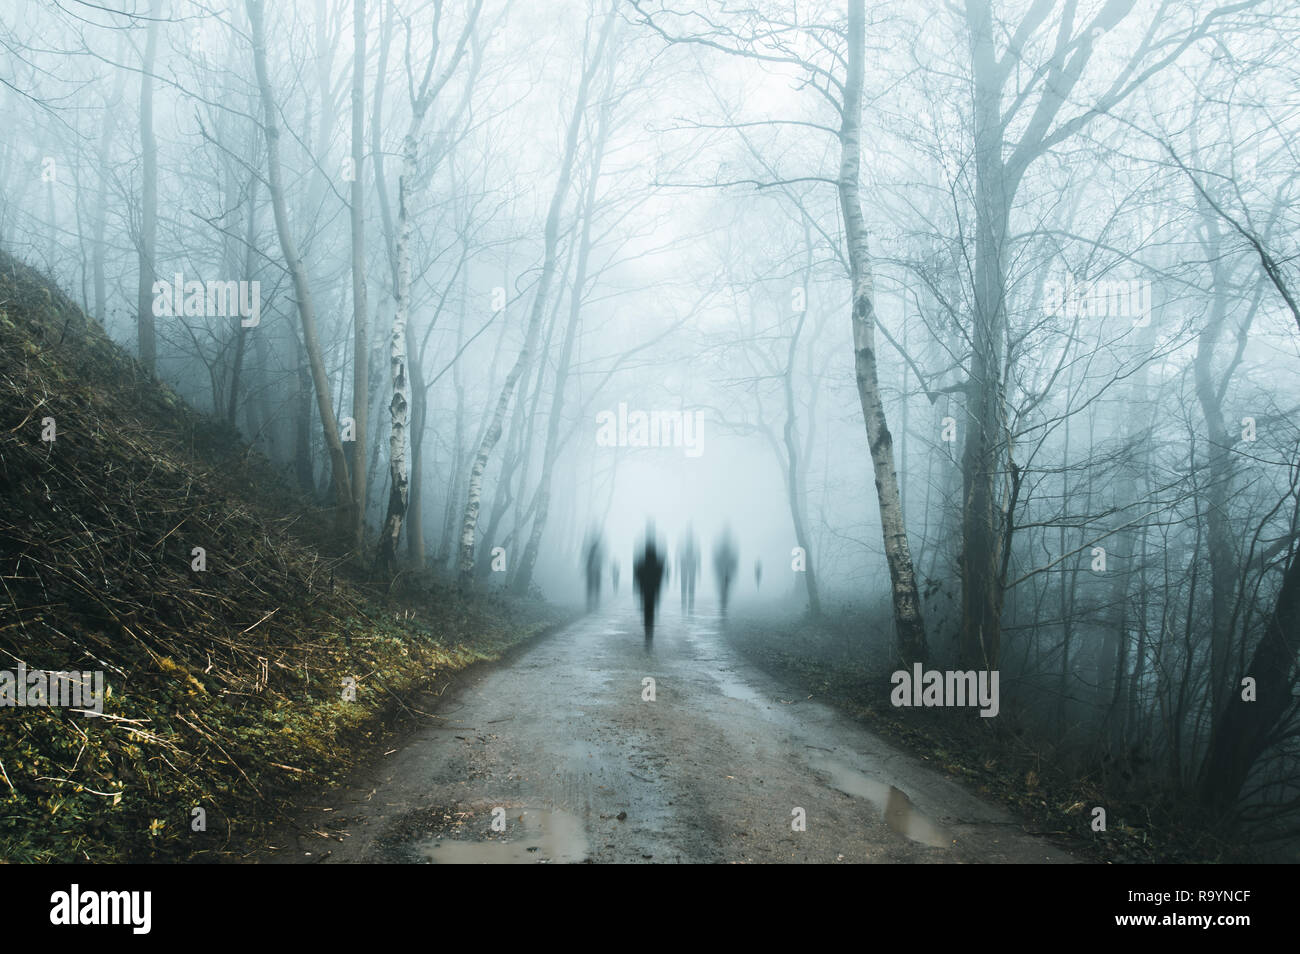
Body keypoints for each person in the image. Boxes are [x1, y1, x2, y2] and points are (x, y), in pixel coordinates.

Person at [632, 522, 666, 639]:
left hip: (645, 586)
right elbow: (661, 570)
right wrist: (660, 583)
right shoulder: (657, 559)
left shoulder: (642, 558)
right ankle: (649, 631)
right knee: (650, 607)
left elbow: (637, 570)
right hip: (653, 586)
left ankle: (648, 630)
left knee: (647, 608)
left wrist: (637, 584)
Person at [713, 526, 738, 617]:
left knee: (725, 587)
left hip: (726, 571)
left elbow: (734, 559)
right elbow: (716, 558)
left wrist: (733, 569)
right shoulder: (725, 545)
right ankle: (723, 603)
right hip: (722, 570)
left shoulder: (730, 545)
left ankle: (724, 602)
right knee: (722, 587)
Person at [677, 525, 700, 613]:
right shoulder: (684, 541)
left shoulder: (691, 541)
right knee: (686, 584)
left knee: (689, 585)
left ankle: (689, 604)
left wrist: (698, 566)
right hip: (685, 563)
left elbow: (698, 553)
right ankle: (686, 604)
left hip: (690, 563)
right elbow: (678, 551)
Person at [584, 529, 604, 612]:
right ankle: (592, 604)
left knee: (593, 588)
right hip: (594, 571)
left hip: (595, 571)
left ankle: (593, 604)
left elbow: (592, 561)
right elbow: (590, 561)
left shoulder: (595, 551)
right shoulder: (595, 551)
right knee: (593, 588)